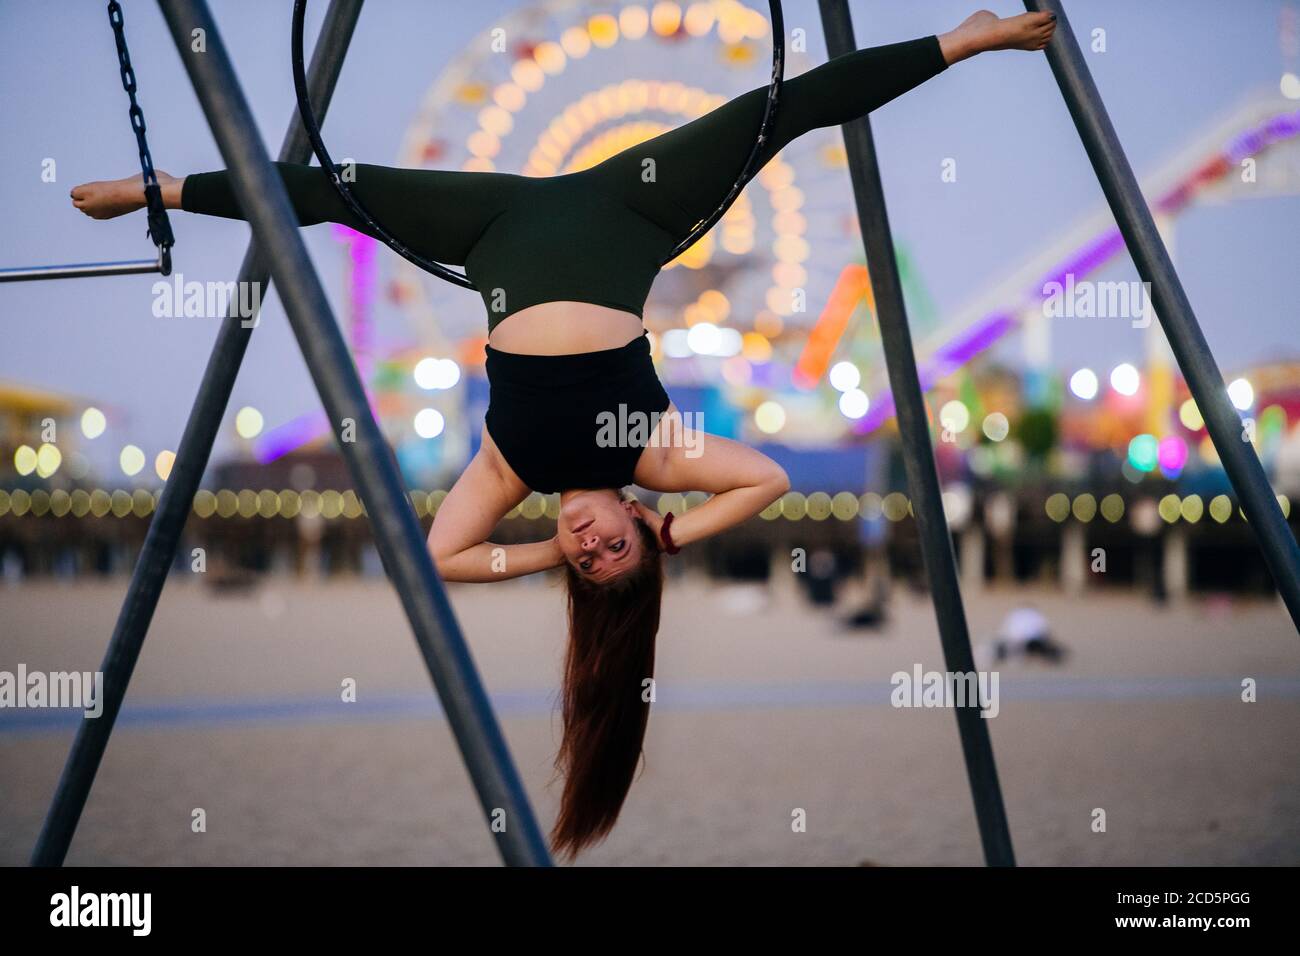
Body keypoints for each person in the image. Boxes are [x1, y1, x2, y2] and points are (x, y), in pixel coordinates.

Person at [71, 9, 1057, 859]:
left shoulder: (512, 465)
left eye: (586, 562)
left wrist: (544, 550)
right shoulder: (653, 454)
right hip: (634, 202)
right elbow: (761, 478)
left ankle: (159, 186)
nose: (592, 543)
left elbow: (437, 556)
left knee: (333, 192)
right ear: (637, 519)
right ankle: (961, 40)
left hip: (497, 228)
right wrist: (675, 532)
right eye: (614, 544)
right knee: (781, 110)